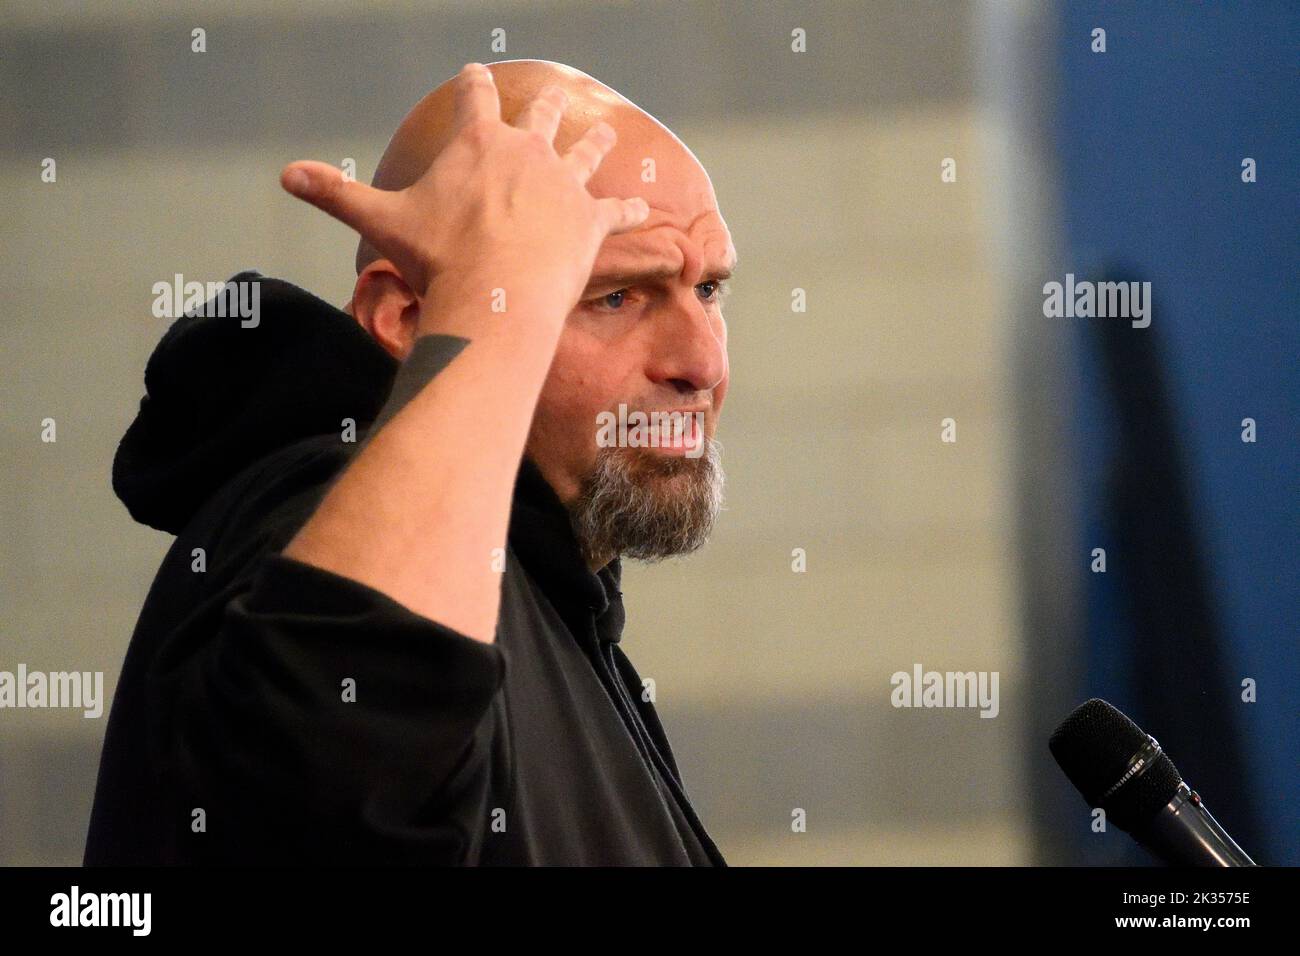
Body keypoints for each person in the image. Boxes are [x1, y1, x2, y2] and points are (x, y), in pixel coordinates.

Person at [85, 58, 737, 865]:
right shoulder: (310, 513)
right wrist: (491, 306)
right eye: (613, 295)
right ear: (406, 318)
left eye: (708, 291)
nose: (701, 362)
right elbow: (334, 795)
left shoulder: (549, 595)